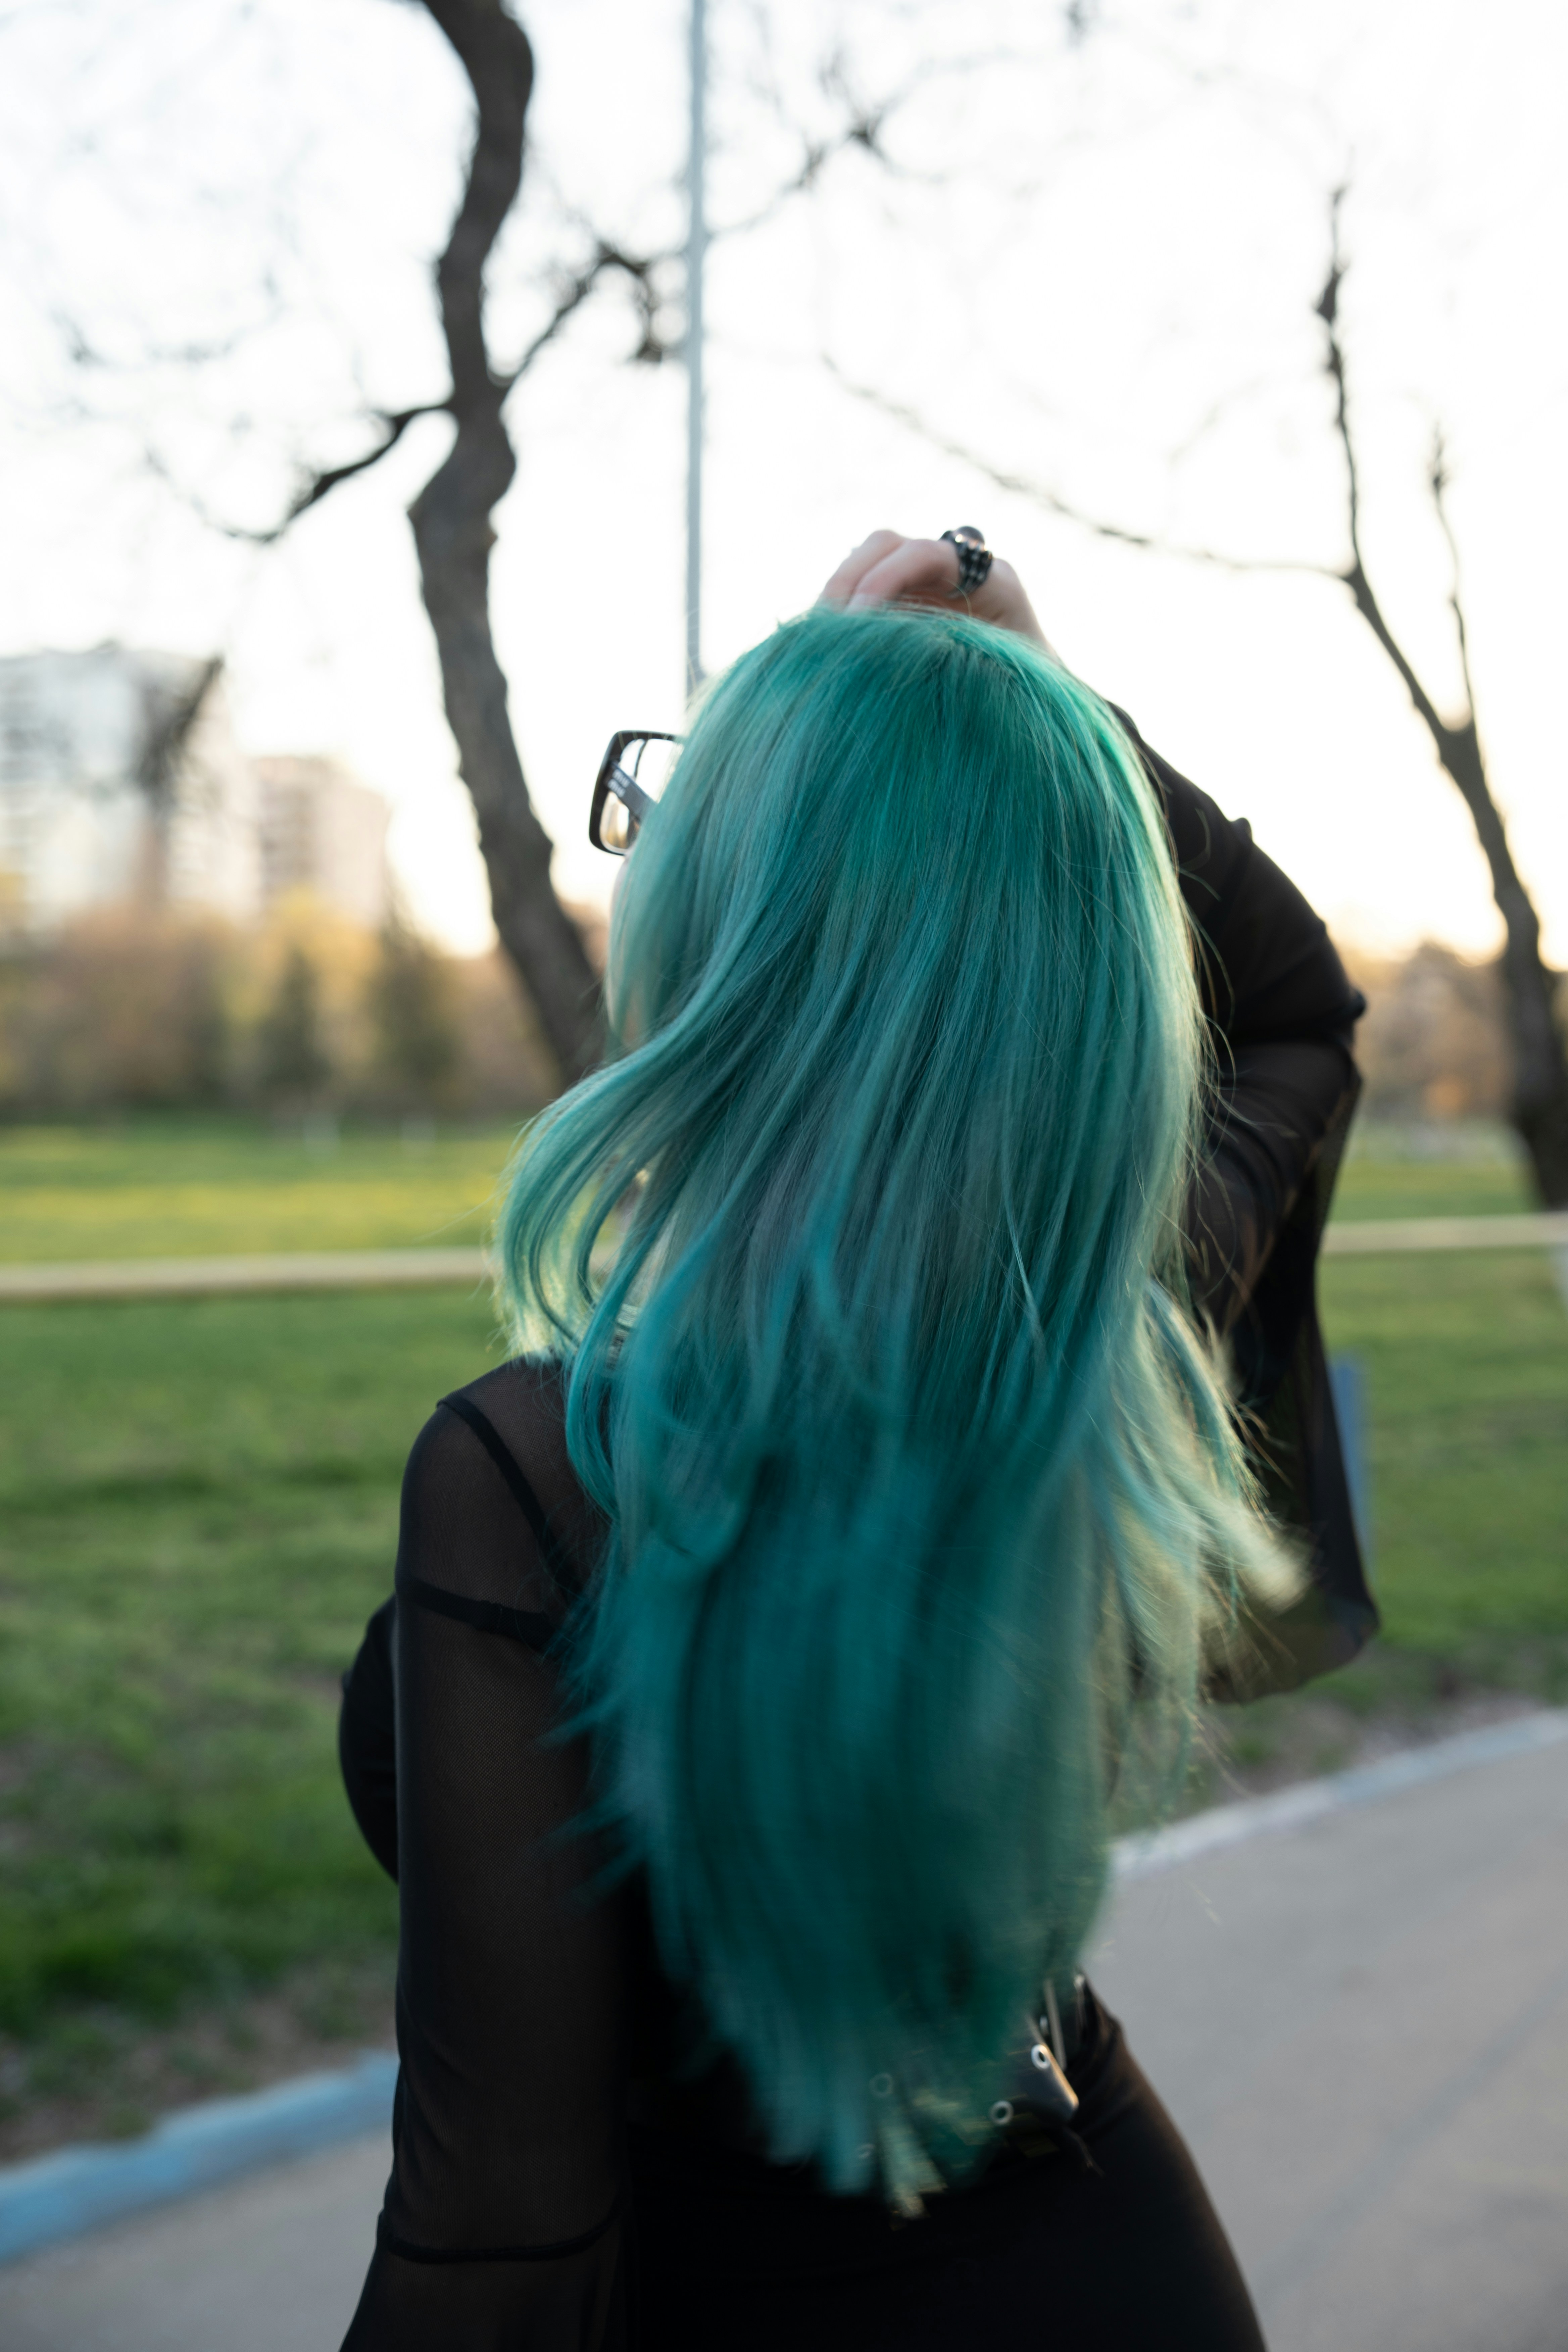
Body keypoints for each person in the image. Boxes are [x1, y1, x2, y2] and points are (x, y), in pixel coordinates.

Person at [337, 531, 1374, 2350]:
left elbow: (501, 2225)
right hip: (1119, 2262)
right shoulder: (1094, 1349)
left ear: (741, 931)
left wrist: (902, 727)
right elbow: (1299, 1014)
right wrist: (1041, 725)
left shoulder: (542, 1477)